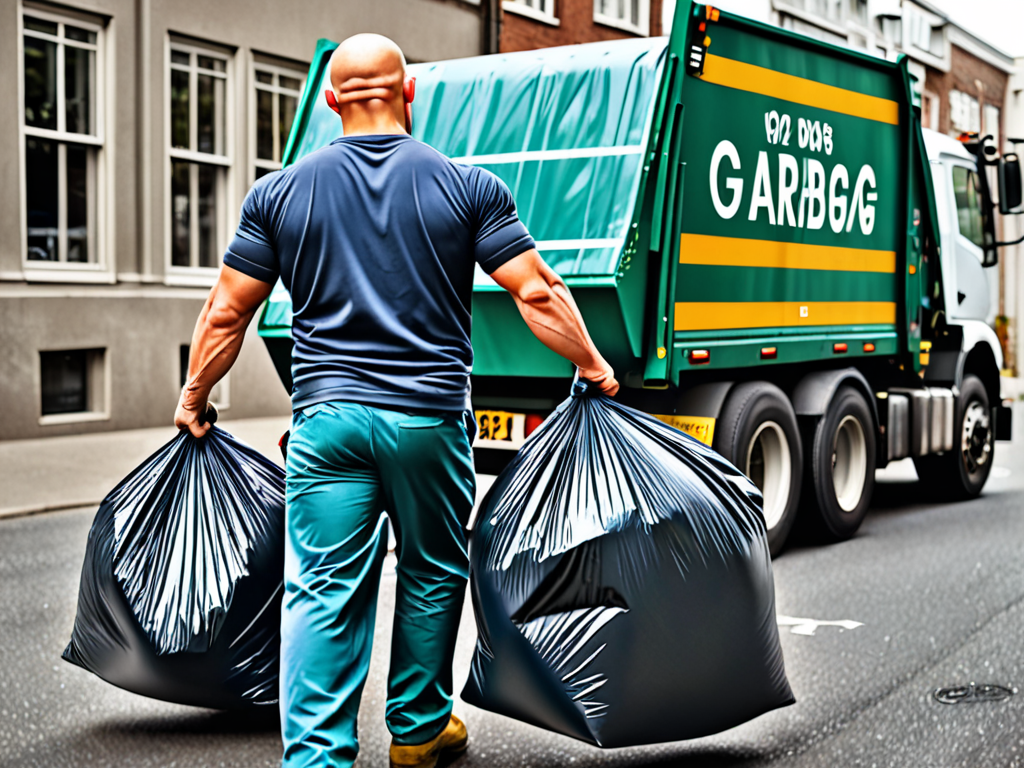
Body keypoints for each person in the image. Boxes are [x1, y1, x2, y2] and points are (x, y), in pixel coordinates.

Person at [174, 33, 618, 768]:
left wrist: (194, 397)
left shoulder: (280, 193)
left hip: (328, 424)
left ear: (329, 101)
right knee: (432, 569)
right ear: (410, 93)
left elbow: (226, 314)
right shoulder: (468, 186)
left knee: (320, 589)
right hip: (429, 420)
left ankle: (316, 757)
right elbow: (537, 290)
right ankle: (417, 731)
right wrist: (595, 366)